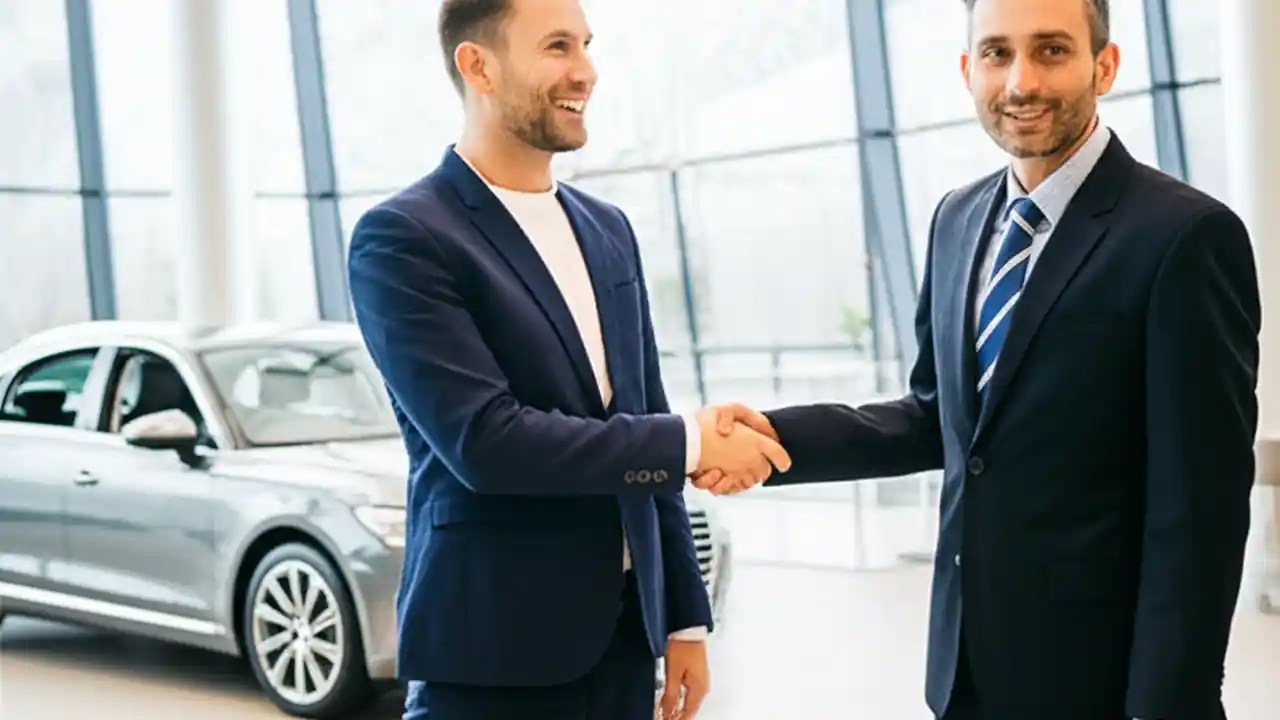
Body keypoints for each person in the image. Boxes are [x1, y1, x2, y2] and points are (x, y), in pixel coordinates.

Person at [696, 0, 1260, 718]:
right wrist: (777, 439)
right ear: (968, 72)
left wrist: (1166, 703)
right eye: (996, 54)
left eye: (1051, 51)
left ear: (1105, 65)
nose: (1021, 81)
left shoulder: (1184, 237)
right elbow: (937, 417)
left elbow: (1200, 511)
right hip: (966, 669)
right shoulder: (957, 219)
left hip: (1104, 682)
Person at [347, 1, 789, 718]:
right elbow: (487, 443)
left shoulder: (607, 229)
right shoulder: (404, 237)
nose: (585, 70)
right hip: (490, 656)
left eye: (585, 45)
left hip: (621, 643)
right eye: (557, 46)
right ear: (477, 65)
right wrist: (695, 440)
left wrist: (683, 617)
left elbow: (643, 417)